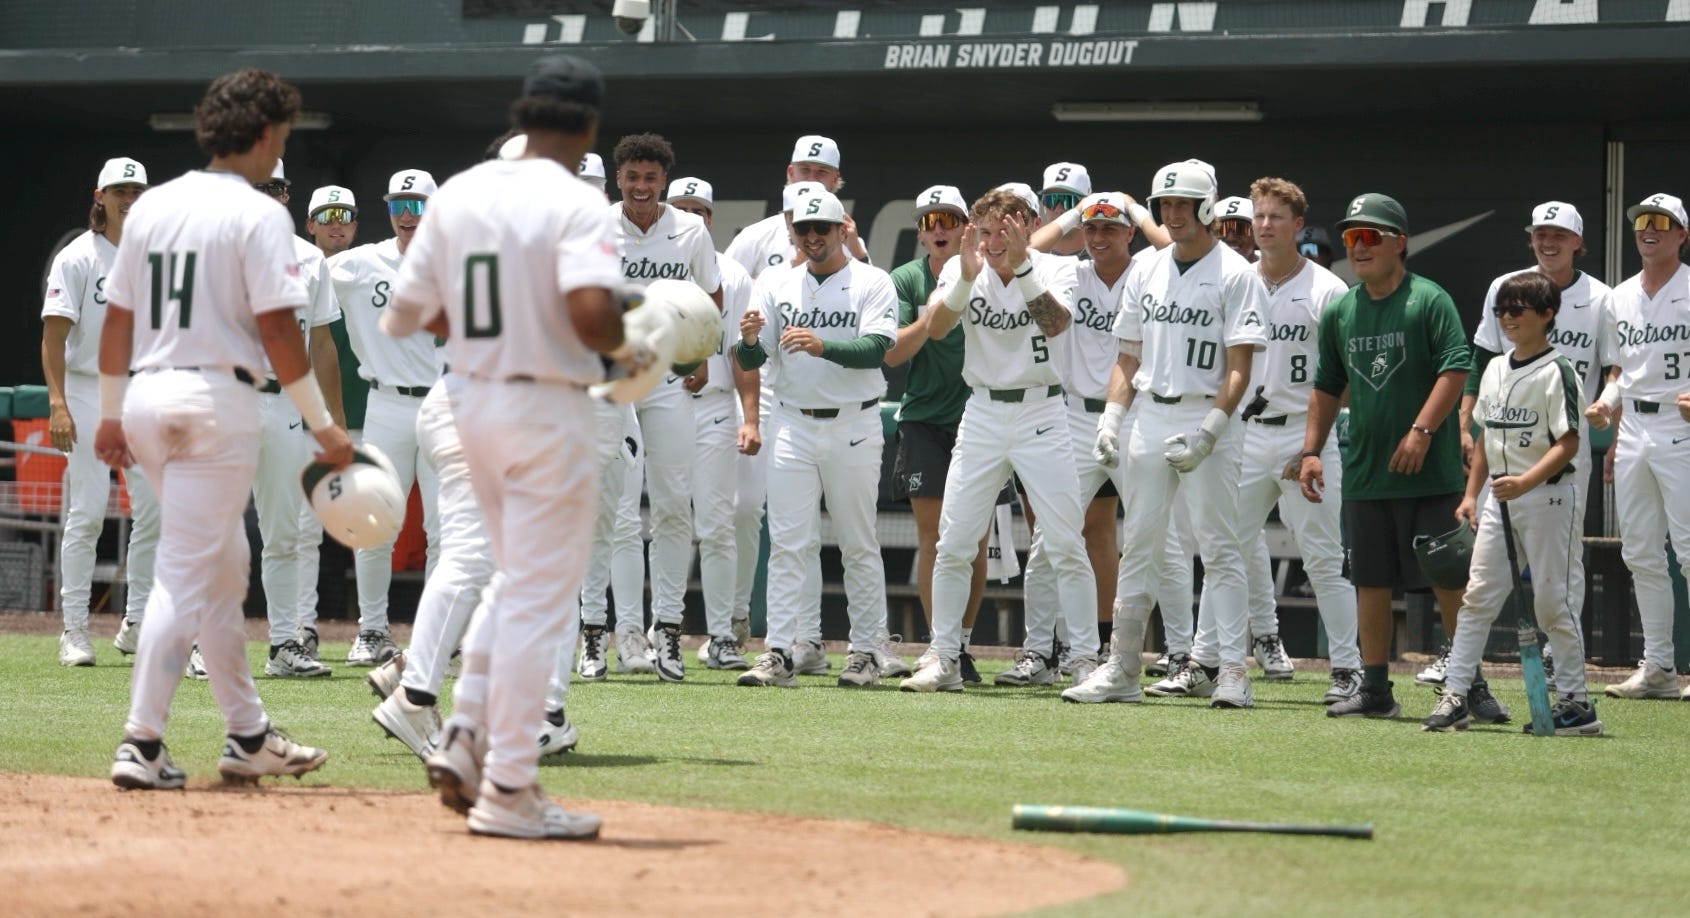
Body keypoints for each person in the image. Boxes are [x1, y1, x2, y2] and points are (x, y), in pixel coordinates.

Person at [393, 54, 628, 839]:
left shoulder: (460, 191)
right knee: (541, 597)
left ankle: (463, 733)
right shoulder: (577, 201)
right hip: (544, 403)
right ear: (589, 128)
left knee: (510, 577)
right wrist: (627, 348)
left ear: (522, 115)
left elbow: (413, 309)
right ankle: (510, 788)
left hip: (469, 398)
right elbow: (593, 315)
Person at [100, 68, 350, 790]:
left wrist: (112, 412)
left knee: (225, 566)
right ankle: (142, 741)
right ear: (266, 134)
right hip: (217, 401)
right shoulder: (260, 214)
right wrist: (324, 425)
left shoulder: (153, 206)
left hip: (149, 396)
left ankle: (246, 733)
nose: (281, 152)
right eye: (283, 138)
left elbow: (117, 320)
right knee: (187, 570)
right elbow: (279, 330)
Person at [1067, 161, 1266, 708]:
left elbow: (1240, 367)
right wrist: (1111, 416)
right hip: (1149, 415)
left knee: (1220, 548)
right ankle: (1123, 668)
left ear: (1207, 207)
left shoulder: (1236, 273)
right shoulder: (1149, 269)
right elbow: (1127, 356)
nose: (1173, 215)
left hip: (1208, 418)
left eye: (1182, 204)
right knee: (1141, 547)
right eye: (1164, 206)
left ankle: (1231, 670)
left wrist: (1210, 431)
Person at [1297, 193, 1494, 721]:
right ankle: (1377, 689)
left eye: (1370, 236)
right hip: (1364, 469)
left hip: (1430, 471)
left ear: (1398, 242)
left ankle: (1469, 684)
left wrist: (1423, 430)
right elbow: (1326, 385)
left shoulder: (1429, 299)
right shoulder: (1341, 308)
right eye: (1350, 238)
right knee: (1371, 581)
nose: (1357, 248)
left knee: (1449, 576)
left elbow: (1456, 368)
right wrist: (1311, 451)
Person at [900, 187, 1097, 693]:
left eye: (1003, 232)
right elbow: (938, 328)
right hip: (983, 411)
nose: (992, 243)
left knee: (1065, 543)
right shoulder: (965, 267)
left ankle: (1085, 660)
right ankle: (944, 656)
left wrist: (1023, 265)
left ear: (1029, 226)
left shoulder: (1058, 268)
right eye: (985, 232)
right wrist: (966, 277)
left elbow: (1056, 325)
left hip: (1043, 411)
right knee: (954, 542)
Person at [1431, 202, 1612, 686]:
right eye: (1539, 233)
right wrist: (1468, 417)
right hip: (1506, 442)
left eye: (1558, 234)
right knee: (1484, 580)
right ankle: (1460, 677)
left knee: (1558, 580)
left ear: (1578, 241)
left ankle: (1563, 667)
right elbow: (1485, 357)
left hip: (1558, 454)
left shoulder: (1601, 298)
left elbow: (1614, 369)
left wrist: (1611, 418)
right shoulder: (1507, 287)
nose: (1547, 242)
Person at [734, 191, 896, 688]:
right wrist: (745, 341)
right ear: (791, 232)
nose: (813, 236)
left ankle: (866, 649)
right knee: (787, 543)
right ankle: (779, 651)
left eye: (822, 227)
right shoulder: (776, 282)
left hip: (854, 421)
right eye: (803, 228)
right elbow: (751, 361)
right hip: (792, 421)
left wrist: (823, 345)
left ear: (843, 228)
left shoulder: (872, 281)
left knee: (857, 541)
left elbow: (878, 349)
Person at [1229, 177, 1361, 703]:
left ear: (1297, 225)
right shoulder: (1236, 280)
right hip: (1243, 434)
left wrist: (1310, 446)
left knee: (1324, 559)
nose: (1264, 225)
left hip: (1303, 439)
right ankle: (1218, 659)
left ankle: (1349, 669)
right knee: (1226, 550)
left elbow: (1343, 380)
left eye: (1276, 217)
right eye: (1258, 216)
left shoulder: (1328, 288)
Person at [1003, 192, 1140, 687]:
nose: (1099, 238)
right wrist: (1076, 212)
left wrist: (1133, 206)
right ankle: (1039, 650)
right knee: (1049, 540)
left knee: (1154, 539)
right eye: (1091, 230)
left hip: (1135, 415)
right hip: (1075, 416)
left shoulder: (1147, 270)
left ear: (1130, 232)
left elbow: (1175, 242)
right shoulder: (1071, 273)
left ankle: (1183, 652)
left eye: (1110, 228)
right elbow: (1027, 248)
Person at [608, 132, 723, 682]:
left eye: (651, 179)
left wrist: (702, 354)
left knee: (676, 506)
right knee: (622, 510)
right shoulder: (596, 230)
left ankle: (668, 630)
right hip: (614, 381)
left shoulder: (691, 231)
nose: (641, 188)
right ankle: (626, 633)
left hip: (669, 383)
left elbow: (712, 297)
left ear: (664, 183)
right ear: (619, 179)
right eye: (632, 177)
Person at [41, 157, 160, 666]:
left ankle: (136, 623)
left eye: (137, 190)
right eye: (119, 190)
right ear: (100, 196)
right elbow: (53, 336)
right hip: (89, 391)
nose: (129, 199)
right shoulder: (77, 257)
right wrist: (58, 403)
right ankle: (74, 630)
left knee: (154, 510)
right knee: (87, 511)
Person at [329, 168, 446, 666]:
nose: (405, 215)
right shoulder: (358, 264)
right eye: (397, 204)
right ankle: (371, 630)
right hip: (385, 403)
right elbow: (296, 280)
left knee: (447, 528)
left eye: (416, 205)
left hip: (446, 406)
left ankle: (438, 632)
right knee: (372, 520)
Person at [1588, 192, 1690, 700]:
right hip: (1633, 431)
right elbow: (1617, 371)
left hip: (1683, 426)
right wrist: (1608, 407)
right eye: (1642, 221)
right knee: (1642, 552)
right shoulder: (1619, 296)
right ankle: (1659, 669)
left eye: (1661, 222)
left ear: (1681, 235)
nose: (1649, 229)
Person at [884, 185, 988, 681]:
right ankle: (937, 647)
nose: (939, 228)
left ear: (966, 227)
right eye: (929, 221)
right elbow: (892, 354)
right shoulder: (904, 279)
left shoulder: (987, 269)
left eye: (948, 219)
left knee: (974, 538)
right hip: (923, 417)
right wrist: (933, 313)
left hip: (981, 418)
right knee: (934, 538)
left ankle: (962, 645)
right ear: (921, 233)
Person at [249, 162, 343, 678]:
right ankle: (200, 644)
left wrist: (331, 422)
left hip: (287, 402)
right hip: (233, 397)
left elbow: (323, 344)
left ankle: (284, 643)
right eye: (257, 187)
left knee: (283, 532)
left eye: (275, 187)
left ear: (287, 194)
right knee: (215, 531)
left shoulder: (310, 258)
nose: (267, 195)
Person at [667, 177, 761, 671]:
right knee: (667, 521)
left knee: (718, 524)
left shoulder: (733, 273)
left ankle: (722, 634)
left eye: (700, 210)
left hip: (717, 405)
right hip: (660, 404)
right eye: (682, 209)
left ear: (711, 219)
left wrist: (750, 418)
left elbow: (741, 355)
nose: (693, 218)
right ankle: (661, 632)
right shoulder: (652, 267)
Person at [296, 183, 363, 660]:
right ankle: (301, 627)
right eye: (327, 215)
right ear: (310, 224)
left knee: (372, 523)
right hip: (311, 421)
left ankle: (373, 630)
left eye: (346, 215)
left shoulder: (379, 268)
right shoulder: (297, 269)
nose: (337, 222)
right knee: (303, 527)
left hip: (373, 414)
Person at [726, 136, 870, 277]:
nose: (812, 179)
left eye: (822, 171)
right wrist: (785, 274)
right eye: (805, 169)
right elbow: (727, 285)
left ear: (835, 178)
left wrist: (858, 252)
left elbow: (871, 290)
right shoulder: (756, 235)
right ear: (791, 172)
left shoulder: (847, 236)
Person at [1037, 163, 1092, 258]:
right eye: (1051, 200)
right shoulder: (1034, 257)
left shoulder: (1103, 257)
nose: (1059, 209)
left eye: (1068, 200)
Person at [1214, 196, 1256, 262]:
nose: (1230, 238)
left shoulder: (1274, 268)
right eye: (1222, 230)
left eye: (1240, 228)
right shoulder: (1200, 269)